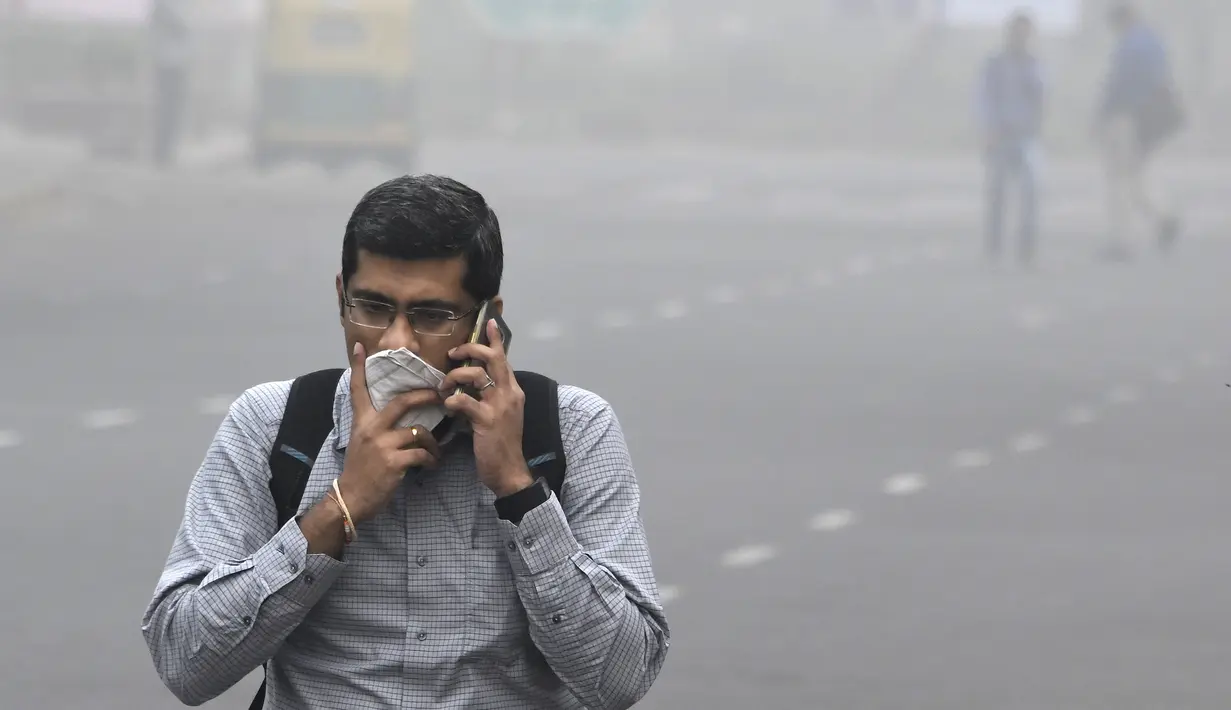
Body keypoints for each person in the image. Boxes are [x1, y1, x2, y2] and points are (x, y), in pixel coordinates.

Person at [141, 175, 671, 709]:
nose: (395, 342)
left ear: (489, 322)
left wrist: (518, 489)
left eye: (432, 316)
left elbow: (621, 679)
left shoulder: (572, 429)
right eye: (371, 308)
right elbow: (184, 661)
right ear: (340, 298)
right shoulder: (273, 425)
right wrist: (336, 511)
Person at [1094, 2, 1184, 261]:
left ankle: (1122, 241)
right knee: (1135, 176)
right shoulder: (1154, 42)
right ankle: (1163, 216)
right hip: (1148, 121)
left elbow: (1119, 85)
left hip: (1125, 117)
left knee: (1119, 180)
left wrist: (1102, 116)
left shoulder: (1130, 45)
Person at [975, 11, 1046, 266]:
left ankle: (1027, 250)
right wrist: (988, 130)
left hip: (1026, 137)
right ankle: (994, 249)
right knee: (997, 195)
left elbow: (1041, 98)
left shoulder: (1034, 65)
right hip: (1001, 136)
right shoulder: (995, 65)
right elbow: (984, 99)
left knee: (1031, 195)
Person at [149, 0, 190, 168]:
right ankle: (161, 153)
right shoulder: (163, 7)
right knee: (167, 109)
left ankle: (166, 152)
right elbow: (176, 25)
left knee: (173, 110)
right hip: (167, 64)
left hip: (176, 64)